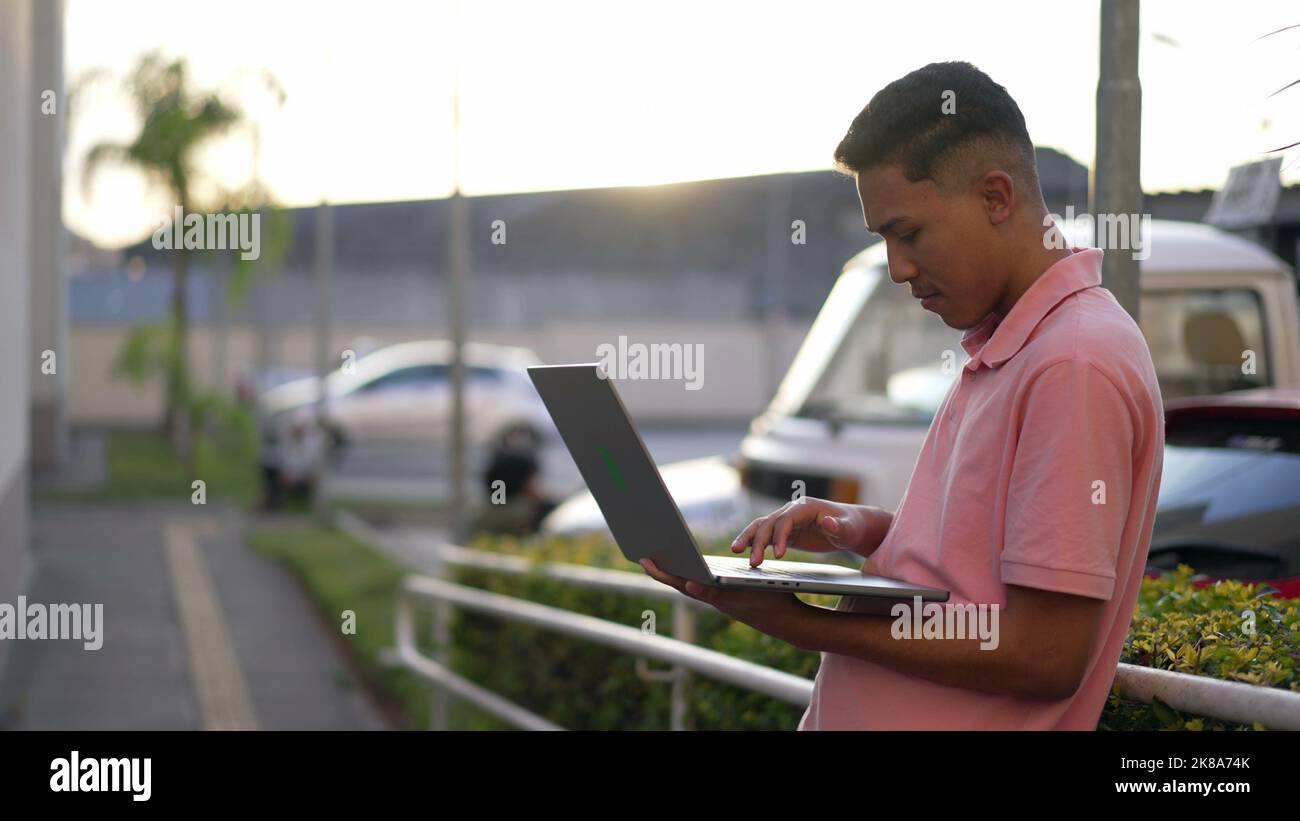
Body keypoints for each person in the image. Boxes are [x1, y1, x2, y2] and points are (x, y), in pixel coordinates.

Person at [639, 61, 1164, 730]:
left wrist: (811, 627)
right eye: (884, 239)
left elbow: (1046, 652)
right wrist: (866, 532)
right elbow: (979, 572)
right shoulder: (1013, 342)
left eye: (908, 232)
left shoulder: (1074, 360)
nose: (898, 267)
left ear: (996, 196)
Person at [462, 446, 557, 541]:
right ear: (523, 484)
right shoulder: (527, 510)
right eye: (532, 480)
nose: (537, 484)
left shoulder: (480, 510)